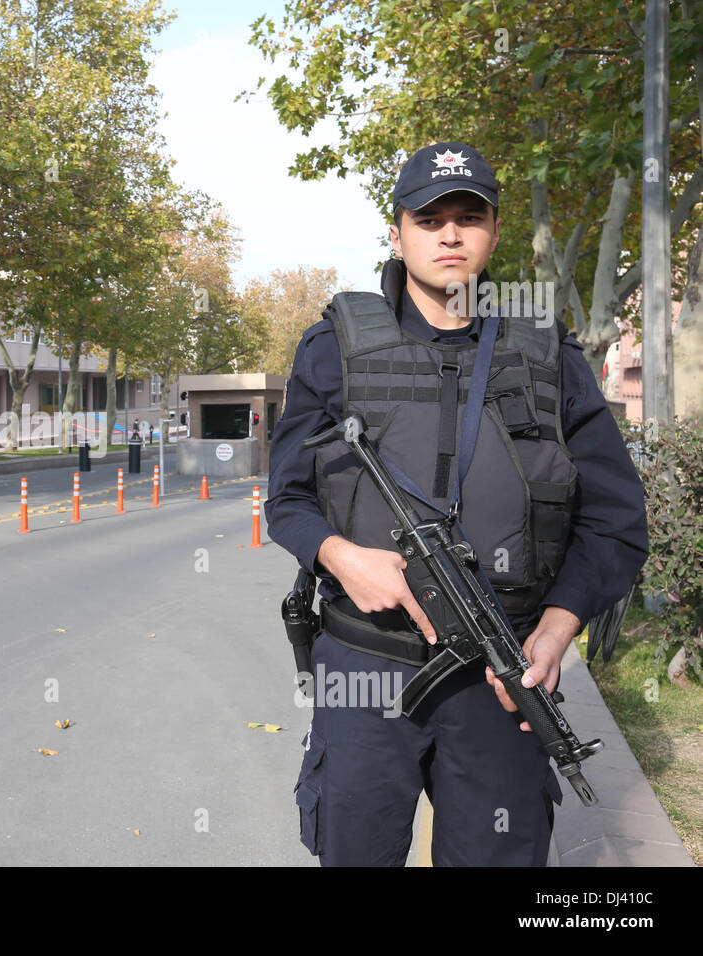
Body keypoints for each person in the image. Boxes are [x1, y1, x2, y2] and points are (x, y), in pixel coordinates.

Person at [265, 141, 649, 866]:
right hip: (363, 665)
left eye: (468, 216)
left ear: (495, 231)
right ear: (398, 231)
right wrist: (341, 556)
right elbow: (285, 499)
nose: (448, 233)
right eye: (428, 217)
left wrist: (560, 628)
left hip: (502, 677)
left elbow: (616, 522)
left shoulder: (546, 356)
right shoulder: (333, 351)